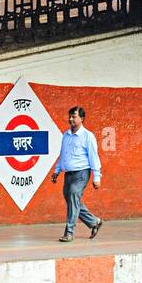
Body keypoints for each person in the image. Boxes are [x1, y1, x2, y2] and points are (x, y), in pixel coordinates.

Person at [51, 104, 103, 242]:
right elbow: (63, 155)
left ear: (82, 119)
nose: (71, 119)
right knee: (72, 201)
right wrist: (57, 170)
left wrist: (96, 177)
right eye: (70, 116)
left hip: (82, 173)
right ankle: (94, 222)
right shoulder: (66, 135)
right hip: (68, 174)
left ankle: (69, 232)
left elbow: (93, 156)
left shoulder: (88, 136)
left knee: (73, 195)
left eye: (74, 117)